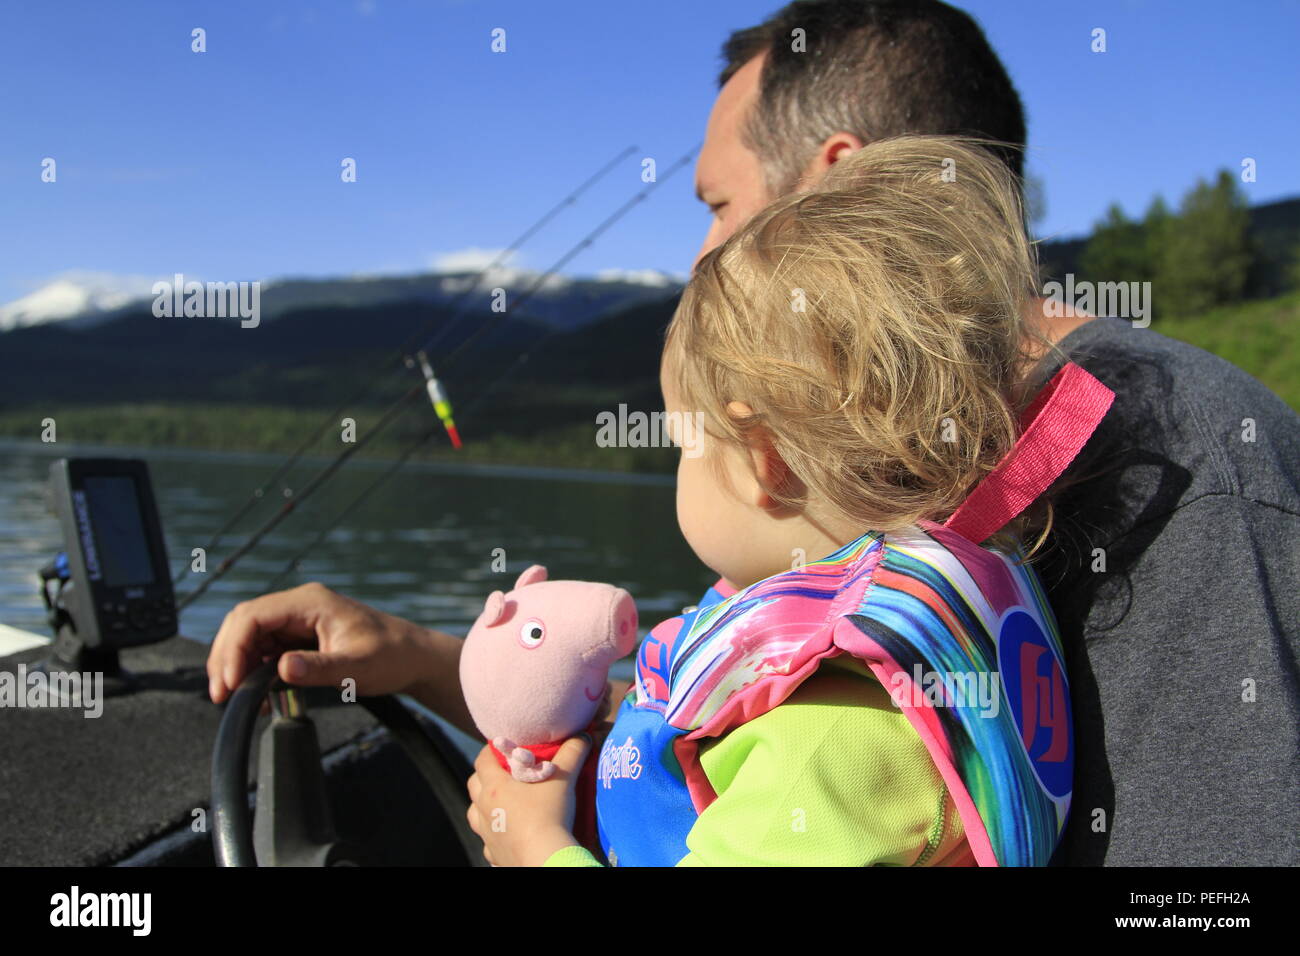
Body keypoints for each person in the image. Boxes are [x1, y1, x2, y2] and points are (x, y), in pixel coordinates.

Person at [208, 0, 1300, 865]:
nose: (698, 259)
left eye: (717, 209)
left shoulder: (1188, 460)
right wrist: (422, 660)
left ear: (836, 188)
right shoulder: (890, 497)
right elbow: (731, 696)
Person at [467, 135, 1110, 866]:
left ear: (765, 465)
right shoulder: (937, 605)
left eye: (684, 443)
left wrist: (536, 848)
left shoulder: (829, 742)